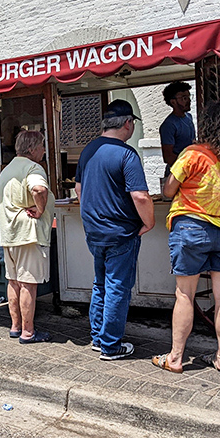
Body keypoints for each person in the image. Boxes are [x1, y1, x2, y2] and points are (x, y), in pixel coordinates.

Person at [152, 101, 220, 374]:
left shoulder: (193, 154)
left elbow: (168, 190)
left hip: (192, 228)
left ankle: (175, 358)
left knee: (185, 295)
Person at [75, 100, 155, 361]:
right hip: (120, 232)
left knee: (101, 284)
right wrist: (149, 223)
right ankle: (110, 345)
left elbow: (78, 190)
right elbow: (140, 196)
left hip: (95, 232)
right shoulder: (126, 154)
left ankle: (98, 338)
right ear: (128, 123)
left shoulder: (88, 150)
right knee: (118, 287)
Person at [0, 130, 55, 344]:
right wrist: (40, 210)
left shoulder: (7, 169)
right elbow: (39, 189)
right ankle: (28, 332)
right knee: (28, 284)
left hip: (8, 234)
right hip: (28, 234)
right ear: (32, 149)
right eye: (41, 146)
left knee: (13, 282)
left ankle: (15, 327)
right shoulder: (33, 167)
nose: (43, 151)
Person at [159, 81, 196, 176]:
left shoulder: (189, 117)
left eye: (189, 97)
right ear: (173, 102)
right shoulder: (169, 125)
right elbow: (168, 157)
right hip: (176, 173)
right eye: (184, 98)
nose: (188, 101)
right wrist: (188, 165)